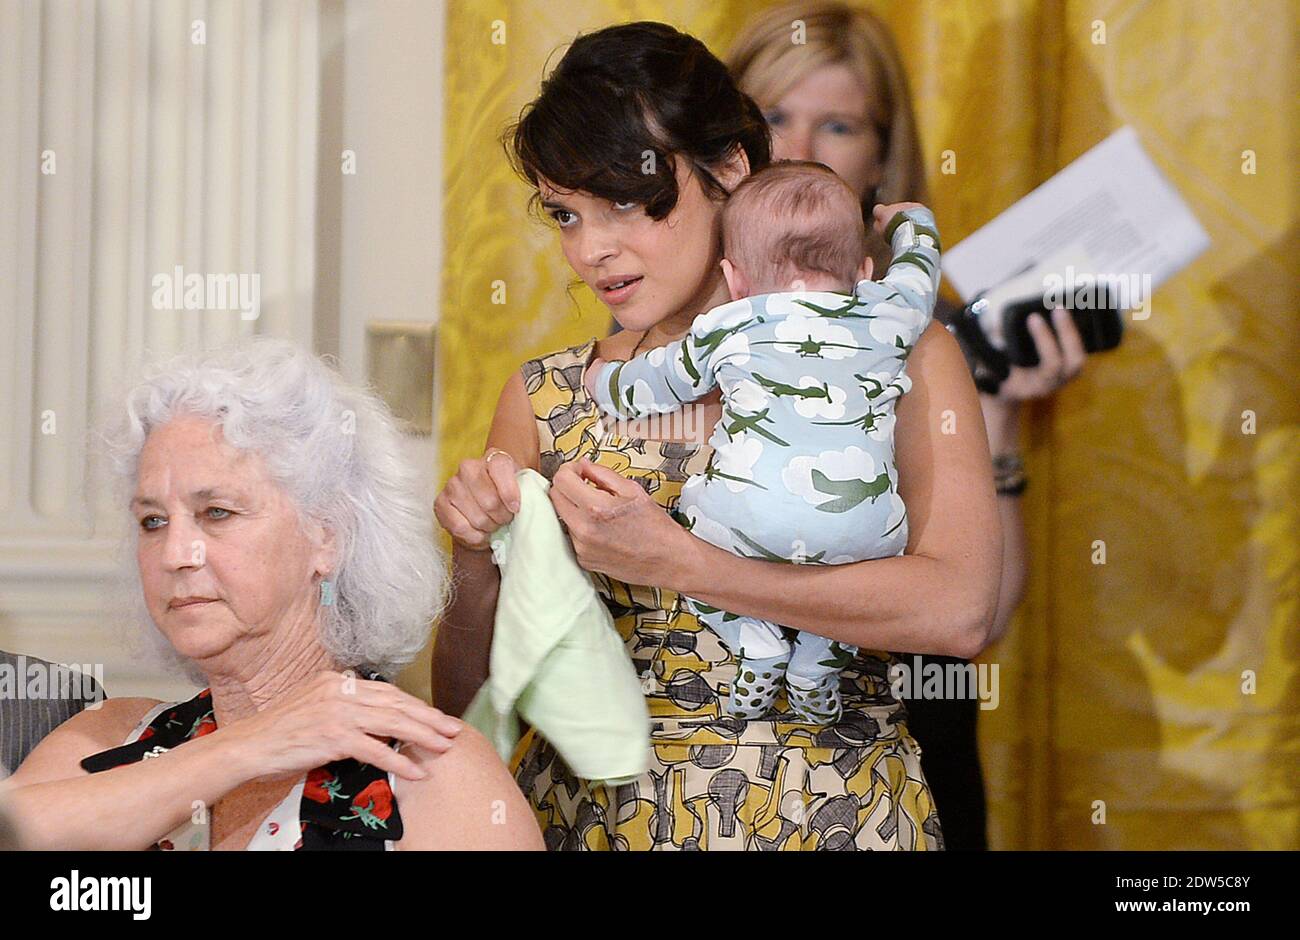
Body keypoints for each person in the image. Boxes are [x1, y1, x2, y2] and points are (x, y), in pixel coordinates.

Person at [432, 21, 1001, 851]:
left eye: (625, 200)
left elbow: (957, 612)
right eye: (565, 213)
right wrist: (475, 555)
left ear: (730, 166)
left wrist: (689, 566)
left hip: (836, 817)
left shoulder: (893, 351)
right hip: (595, 827)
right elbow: (466, 706)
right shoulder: (548, 393)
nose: (592, 250)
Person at [728, 0, 1088, 849]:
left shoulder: (932, 332)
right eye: (773, 116)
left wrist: (996, 411)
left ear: (882, 157)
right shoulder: (681, 320)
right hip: (714, 772)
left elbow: (977, 622)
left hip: (907, 757)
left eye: (839, 124)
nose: (798, 152)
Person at [0, 338, 543, 851]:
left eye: (217, 513)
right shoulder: (108, 737)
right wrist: (247, 747)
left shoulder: (433, 770)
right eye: (152, 521)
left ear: (327, 534)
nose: (174, 553)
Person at [583, 160, 942, 725]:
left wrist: (601, 380)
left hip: (749, 513)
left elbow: (651, 387)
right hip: (861, 522)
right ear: (866, 270)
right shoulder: (890, 313)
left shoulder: (729, 325)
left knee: (691, 528)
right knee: (871, 558)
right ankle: (818, 659)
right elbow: (920, 273)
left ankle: (754, 639)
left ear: (735, 276)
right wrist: (912, 223)